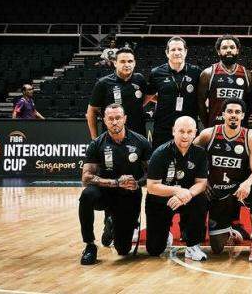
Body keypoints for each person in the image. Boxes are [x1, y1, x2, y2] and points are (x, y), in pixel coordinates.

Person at [193, 98, 252, 262]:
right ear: (223, 114)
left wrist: (247, 183)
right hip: (216, 193)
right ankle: (230, 230)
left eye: (237, 112)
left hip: (237, 191)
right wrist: (202, 180)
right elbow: (191, 157)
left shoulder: (249, 137)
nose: (233, 115)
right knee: (217, 248)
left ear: (243, 116)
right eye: (230, 112)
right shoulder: (208, 134)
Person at [78, 103, 151, 265]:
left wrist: (137, 183)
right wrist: (115, 183)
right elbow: (86, 177)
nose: (114, 122)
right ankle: (90, 245)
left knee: (123, 250)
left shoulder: (141, 142)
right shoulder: (97, 144)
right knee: (87, 195)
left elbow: (152, 174)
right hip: (105, 192)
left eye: (118, 118)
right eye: (110, 119)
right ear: (104, 120)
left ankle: (111, 222)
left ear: (125, 119)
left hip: (129, 195)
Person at [145, 116, 210, 261]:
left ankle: (192, 246)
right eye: (181, 131)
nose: (185, 136)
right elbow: (151, 187)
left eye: (189, 132)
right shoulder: (160, 153)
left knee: (200, 198)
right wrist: (177, 191)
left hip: (187, 199)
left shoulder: (199, 154)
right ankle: (164, 233)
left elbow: (201, 183)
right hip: (161, 199)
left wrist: (187, 194)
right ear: (174, 131)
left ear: (195, 133)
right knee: (154, 250)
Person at [145, 37, 202, 149]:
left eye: (180, 49)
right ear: (167, 52)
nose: (177, 53)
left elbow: (202, 98)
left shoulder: (196, 72)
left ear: (185, 51)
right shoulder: (156, 73)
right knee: (161, 162)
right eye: (173, 50)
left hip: (188, 128)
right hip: (163, 127)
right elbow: (148, 97)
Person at [86, 48, 149, 138]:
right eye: (122, 61)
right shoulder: (103, 83)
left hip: (138, 136)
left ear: (134, 63)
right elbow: (91, 111)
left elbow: (149, 96)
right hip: (112, 137)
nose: (127, 64)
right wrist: (94, 139)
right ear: (115, 63)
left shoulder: (140, 79)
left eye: (130, 61)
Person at [197, 35, 252, 128]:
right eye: (224, 47)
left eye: (232, 47)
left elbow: (249, 104)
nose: (229, 50)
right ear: (218, 51)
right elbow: (200, 103)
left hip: (239, 128)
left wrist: (243, 122)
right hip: (215, 127)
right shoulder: (208, 74)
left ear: (237, 50)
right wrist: (208, 124)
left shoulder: (247, 75)